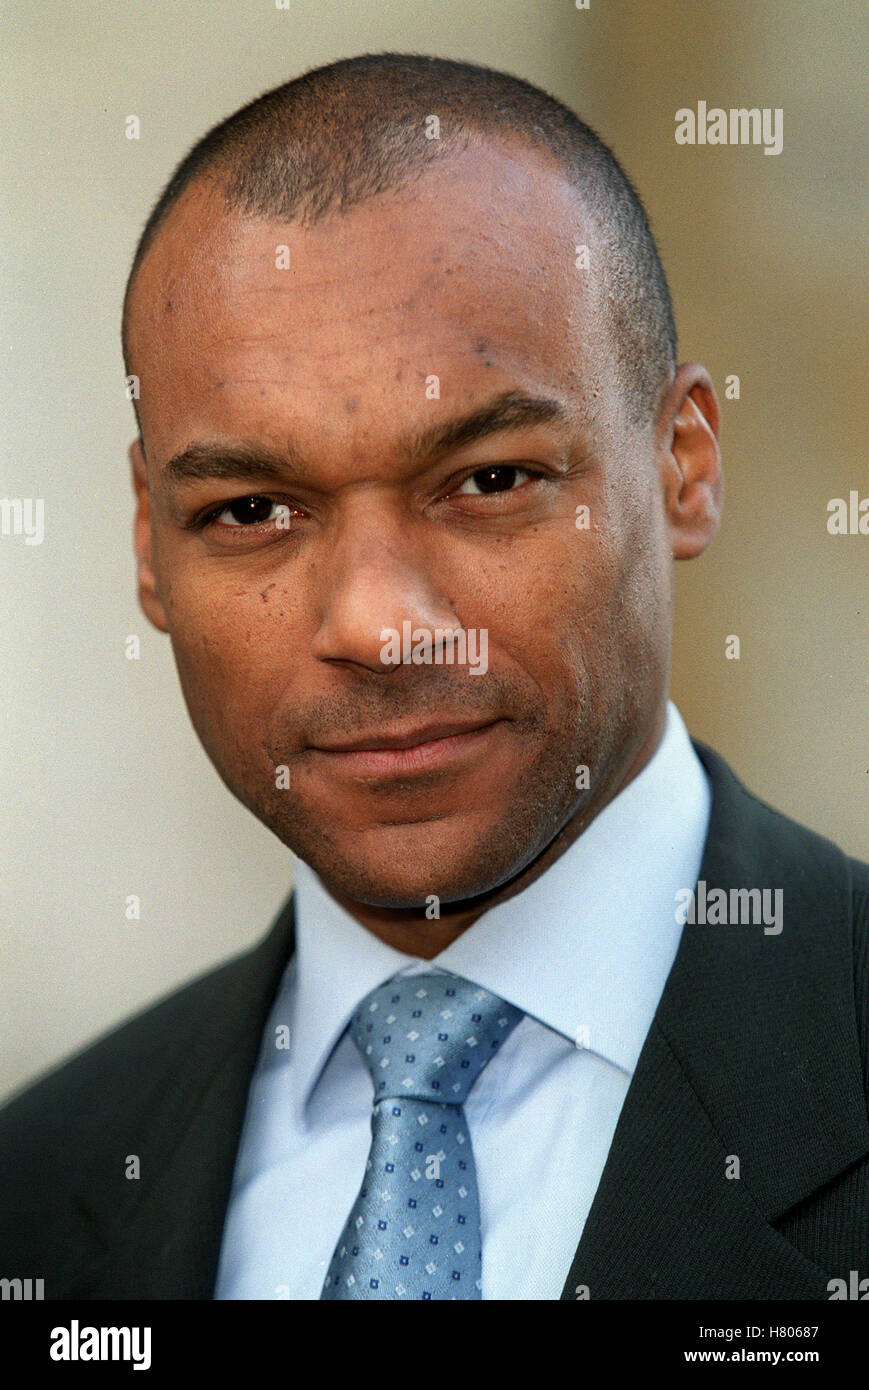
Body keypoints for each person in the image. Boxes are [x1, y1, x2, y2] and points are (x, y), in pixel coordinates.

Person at [1, 53, 866, 1302]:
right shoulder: (38, 1190)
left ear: (681, 466)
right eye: (252, 509)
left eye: (490, 481)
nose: (375, 623)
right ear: (148, 543)